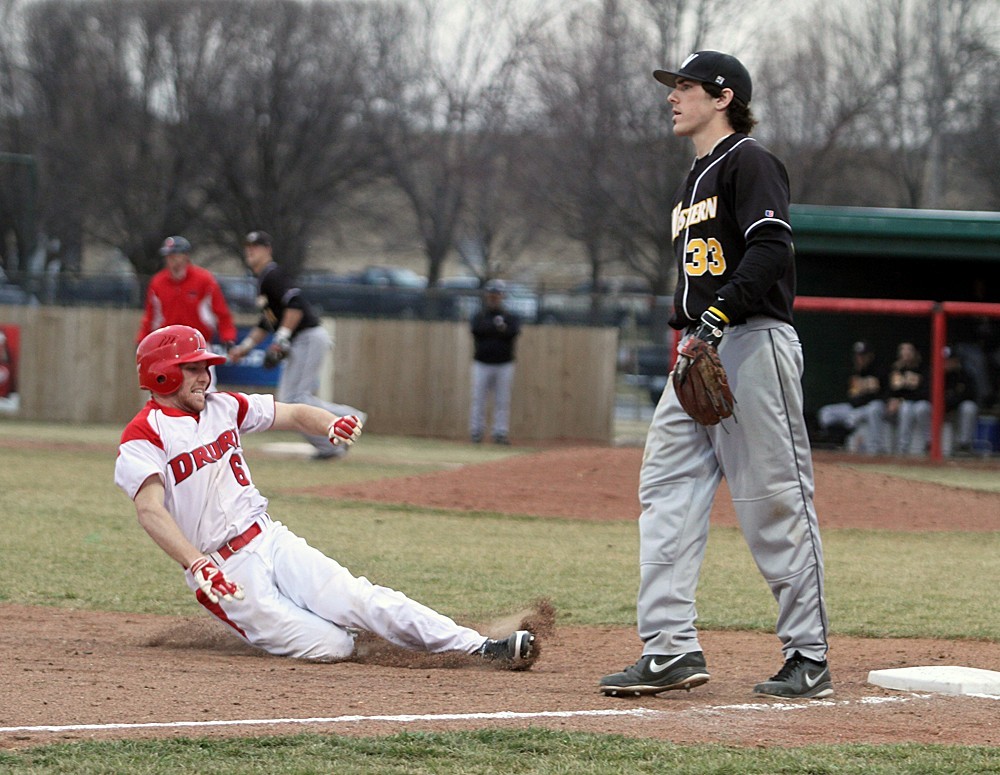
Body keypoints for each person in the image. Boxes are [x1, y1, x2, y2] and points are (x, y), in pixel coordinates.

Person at [599, 51, 831, 700]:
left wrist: (719, 314)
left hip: (751, 342)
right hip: (699, 352)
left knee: (773, 501)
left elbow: (771, 247)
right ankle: (669, 647)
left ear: (723, 96)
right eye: (673, 87)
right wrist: (693, 326)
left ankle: (808, 656)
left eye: (686, 86)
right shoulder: (694, 177)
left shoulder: (749, 161)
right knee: (665, 489)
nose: (673, 96)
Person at [115, 324, 536, 666]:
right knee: (332, 646)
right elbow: (149, 509)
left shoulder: (224, 407)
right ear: (161, 373)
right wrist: (197, 563)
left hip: (268, 538)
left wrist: (328, 424)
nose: (205, 375)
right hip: (225, 575)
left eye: (205, 366)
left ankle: (478, 646)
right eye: (192, 367)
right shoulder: (145, 433)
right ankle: (358, 638)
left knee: (360, 597)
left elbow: (296, 411)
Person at [228, 230, 365, 460]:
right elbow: (267, 321)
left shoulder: (273, 274)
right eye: (248, 246)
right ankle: (333, 441)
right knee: (291, 399)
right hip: (302, 339)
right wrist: (246, 347)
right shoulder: (263, 280)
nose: (251, 250)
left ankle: (346, 423)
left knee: (295, 399)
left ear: (267, 250)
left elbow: (296, 303)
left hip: (307, 337)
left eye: (257, 246)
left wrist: (281, 339)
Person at [137, 236, 238, 367]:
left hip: (198, 346)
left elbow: (221, 314)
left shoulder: (204, 280)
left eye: (175, 255)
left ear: (186, 256)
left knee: (203, 384)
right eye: (168, 256)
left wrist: (228, 338)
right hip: (167, 347)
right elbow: (151, 317)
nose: (172, 259)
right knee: (167, 385)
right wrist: (142, 340)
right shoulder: (157, 282)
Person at [469, 279, 522, 445]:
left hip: (504, 363)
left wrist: (497, 330)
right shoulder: (480, 315)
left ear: (502, 296)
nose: (494, 298)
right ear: (486, 296)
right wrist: (497, 329)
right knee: (479, 399)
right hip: (482, 363)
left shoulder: (510, 316)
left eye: (497, 295)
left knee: (502, 400)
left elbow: (512, 332)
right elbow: (478, 330)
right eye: (491, 295)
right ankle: (476, 432)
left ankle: (500, 432)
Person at [815, 341, 886, 454]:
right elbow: (851, 396)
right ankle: (837, 443)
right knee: (826, 413)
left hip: (869, 408)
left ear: (870, 356)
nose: (859, 358)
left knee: (860, 415)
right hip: (853, 408)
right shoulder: (853, 371)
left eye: (863, 355)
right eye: (857, 355)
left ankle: (875, 450)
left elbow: (883, 395)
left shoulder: (880, 371)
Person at [883, 341, 932, 455]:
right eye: (903, 350)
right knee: (906, 408)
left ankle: (930, 443)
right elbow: (890, 392)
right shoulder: (896, 370)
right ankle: (902, 449)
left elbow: (925, 393)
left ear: (916, 353)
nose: (906, 353)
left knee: (920, 408)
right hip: (904, 407)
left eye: (909, 350)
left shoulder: (924, 369)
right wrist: (892, 401)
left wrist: (901, 399)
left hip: (923, 404)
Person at [943, 345, 980, 456]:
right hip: (940, 411)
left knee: (969, 407)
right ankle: (928, 443)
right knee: (923, 406)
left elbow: (970, 395)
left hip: (956, 410)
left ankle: (964, 445)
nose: (946, 363)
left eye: (949, 360)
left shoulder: (965, 374)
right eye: (944, 361)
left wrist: (949, 405)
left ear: (956, 361)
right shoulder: (934, 374)